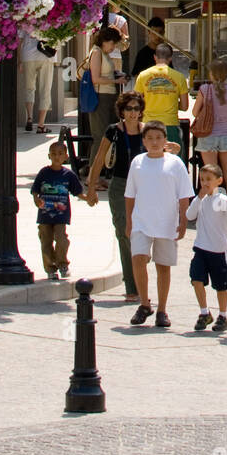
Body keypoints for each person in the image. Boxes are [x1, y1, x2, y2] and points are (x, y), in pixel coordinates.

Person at [124, 119, 194, 328]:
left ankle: (162, 309)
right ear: (144, 141)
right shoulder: (137, 162)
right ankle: (144, 303)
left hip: (166, 222)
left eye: (158, 138)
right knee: (138, 259)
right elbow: (130, 195)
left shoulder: (175, 163)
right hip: (141, 220)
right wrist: (128, 221)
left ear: (165, 140)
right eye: (150, 138)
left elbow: (184, 196)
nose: (154, 142)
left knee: (163, 266)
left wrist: (183, 221)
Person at [86, 90, 147, 302]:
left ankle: (140, 276)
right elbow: (100, 158)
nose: (133, 113)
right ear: (121, 111)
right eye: (128, 109)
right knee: (124, 234)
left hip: (144, 188)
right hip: (120, 186)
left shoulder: (147, 131)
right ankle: (132, 286)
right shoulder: (113, 131)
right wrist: (91, 187)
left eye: (136, 109)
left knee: (144, 234)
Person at [187, 163, 227, 333]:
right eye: (202, 179)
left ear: (219, 181)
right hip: (201, 248)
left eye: (209, 179)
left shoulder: (222, 201)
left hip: (219, 250)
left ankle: (223, 315)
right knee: (196, 278)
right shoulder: (201, 200)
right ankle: (204, 312)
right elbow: (189, 215)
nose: (205, 183)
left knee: (221, 285)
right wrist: (198, 198)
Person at [31, 139, 83, 280]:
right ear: (49, 156)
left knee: (61, 239)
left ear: (66, 156)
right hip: (45, 215)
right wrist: (36, 199)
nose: (57, 156)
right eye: (53, 154)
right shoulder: (43, 173)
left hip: (61, 215)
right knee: (45, 241)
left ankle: (62, 264)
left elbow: (77, 192)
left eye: (60, 154)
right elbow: (35, 190)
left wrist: (89, 198)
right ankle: (50, 268)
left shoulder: (69, 175)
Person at [191, 56, 227, 198]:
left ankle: (213, 209)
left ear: (211, 73)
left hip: (208, 135)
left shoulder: (205, 89)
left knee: (211, 178)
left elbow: (194, 112)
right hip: (226, 135)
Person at [135, 45, 189, 159]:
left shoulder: (143, 75)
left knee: (148, 161)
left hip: (148, 124)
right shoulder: (179, 77)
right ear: (170, 58)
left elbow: (137, 103)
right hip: (171, 124)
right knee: (173, 161)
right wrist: (172, 102)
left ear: (155, 57)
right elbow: (184, 106)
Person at [86, 28, 124, 184]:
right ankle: (91, 177)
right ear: (105, 41)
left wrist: (117, 76)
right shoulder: (96, 53)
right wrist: (116, 81)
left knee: (106, 136)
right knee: (100, 136)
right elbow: (95, 78)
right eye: (112, 43)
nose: (113, 47)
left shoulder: (104, 53)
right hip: (101, 97)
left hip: (109, 96)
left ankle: (97, 175)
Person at [19, 31, 58, 133]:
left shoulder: (25, 17)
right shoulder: (53, 17)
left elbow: (20, 39)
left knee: (29, 88)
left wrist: (20, 60)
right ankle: (41, 125)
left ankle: (30, 118)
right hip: (46, 55)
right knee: (45, 89)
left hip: (28, 55)